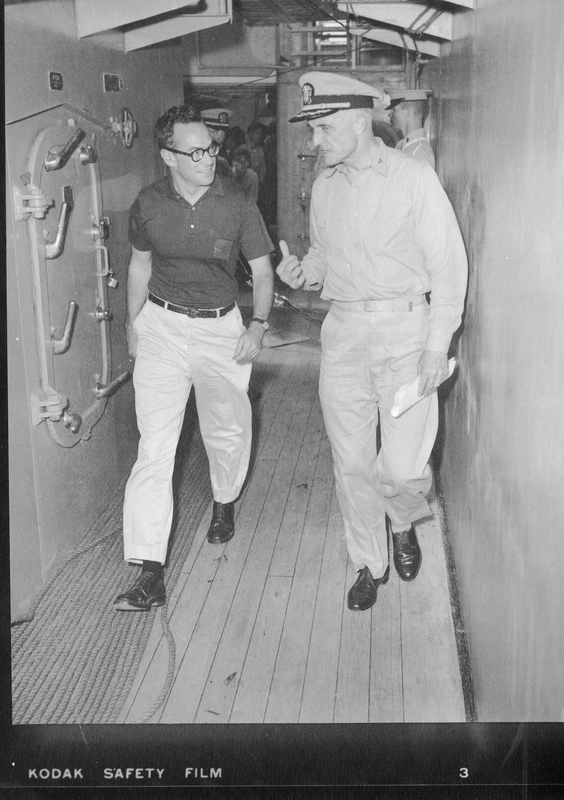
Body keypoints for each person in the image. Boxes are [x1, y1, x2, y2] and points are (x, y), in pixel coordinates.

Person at [278, 72, 467, 612]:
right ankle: (369, 561)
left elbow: (448, 266)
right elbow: (321, 259)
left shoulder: (413, 178)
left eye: (323, 128)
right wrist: (303, 273)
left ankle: (403, 520)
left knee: (403, 468)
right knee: (351, 462)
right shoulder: (324, 186)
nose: (315, 141)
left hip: (407, 333)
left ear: (360, 123)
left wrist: (437, 344)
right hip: (342, 335)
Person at [115, 105, 274, 611]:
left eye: (212, 147)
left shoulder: (237, 203)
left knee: (225, 431)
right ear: (169, 157)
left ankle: (223, 500)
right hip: (161, 326)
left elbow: (263, 271)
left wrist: (258, 324)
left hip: (220, 328)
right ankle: (148, 570)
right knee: (154, 448)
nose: (210, 157)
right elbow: (139, 266)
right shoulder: (148, 204)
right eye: (197, 151)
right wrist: (132, 324)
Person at [386, 89, 435, 169]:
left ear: (407, 113)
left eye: (394, 110)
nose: (389, 114)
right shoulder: (403, 145)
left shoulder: (419, 152)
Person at [200, 107, 233, 177]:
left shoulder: (222, 164)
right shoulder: (194, 160)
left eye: (223, 133)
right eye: (214, 132)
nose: (221, 137)